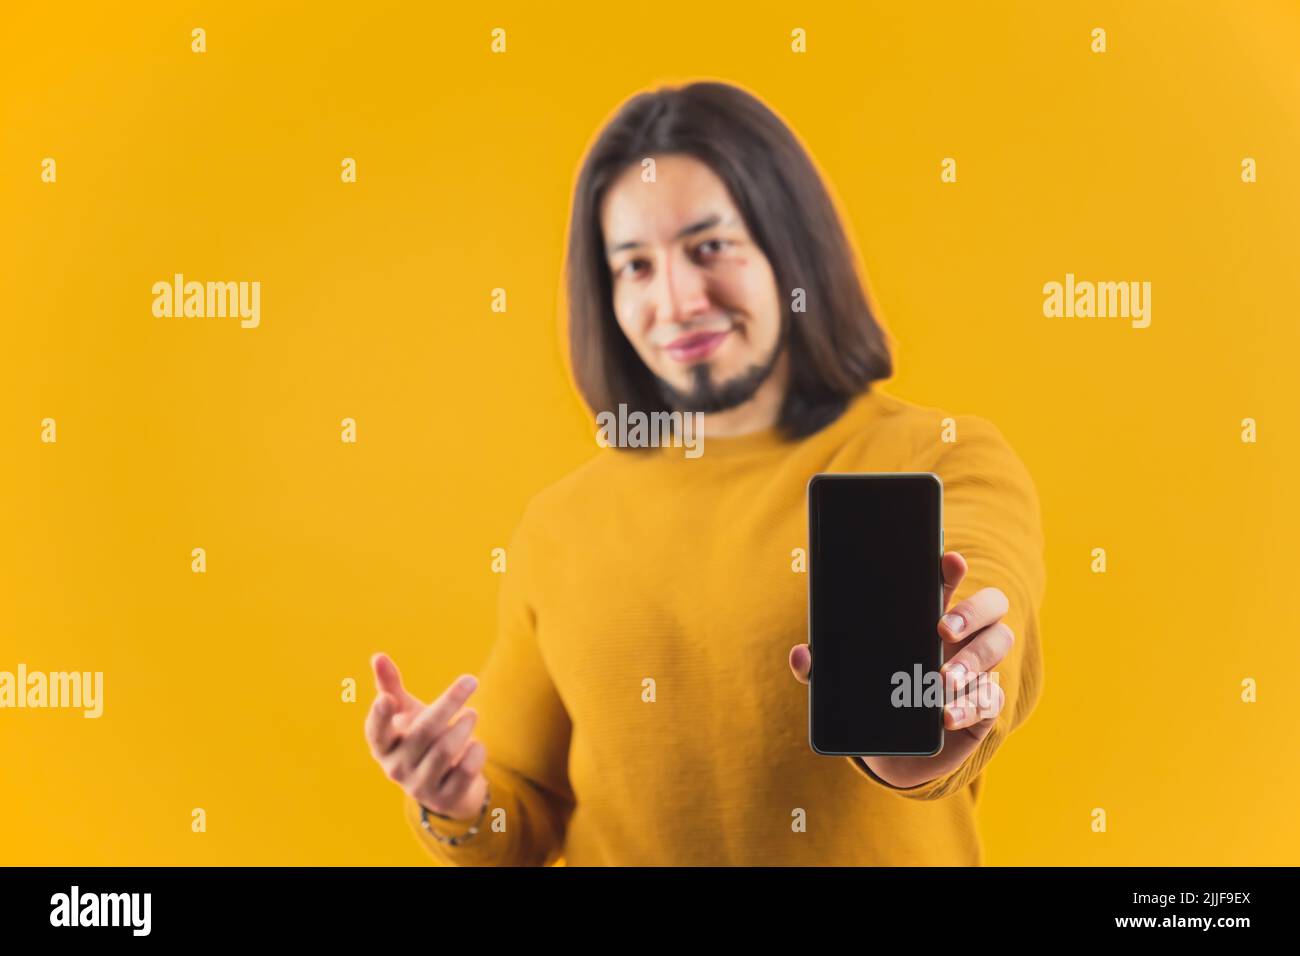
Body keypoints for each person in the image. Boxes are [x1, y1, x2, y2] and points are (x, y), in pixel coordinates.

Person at [364, 80, 1046, 866]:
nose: (678, 300)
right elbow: (521, 816)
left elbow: (992, 613)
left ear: (791, 249)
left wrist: (944, 709)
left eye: (710, 247)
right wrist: (454, 802)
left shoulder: (940, 455)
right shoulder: (562, 524)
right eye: (635, 267)